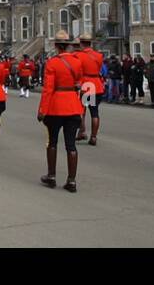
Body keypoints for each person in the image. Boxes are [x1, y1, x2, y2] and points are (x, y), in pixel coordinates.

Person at [38, 31, 84, 192]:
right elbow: (79, 81)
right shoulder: (76, 62)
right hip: (72, 104)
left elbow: (48, 89)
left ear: (56, 46)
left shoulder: (52, 63)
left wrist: (42, 109)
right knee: (71, 145)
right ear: (69, 45)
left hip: (56, 105)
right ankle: (71, 180)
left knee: (52, 142)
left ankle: (51, 176)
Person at [76, 34, 105, 145]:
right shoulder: (98, 55)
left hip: (86, 85)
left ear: (81, 43)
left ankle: (82, 131)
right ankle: (93, 137)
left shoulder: (79, 55)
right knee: (94, 112)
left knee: (81, 110)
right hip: (97, 85)